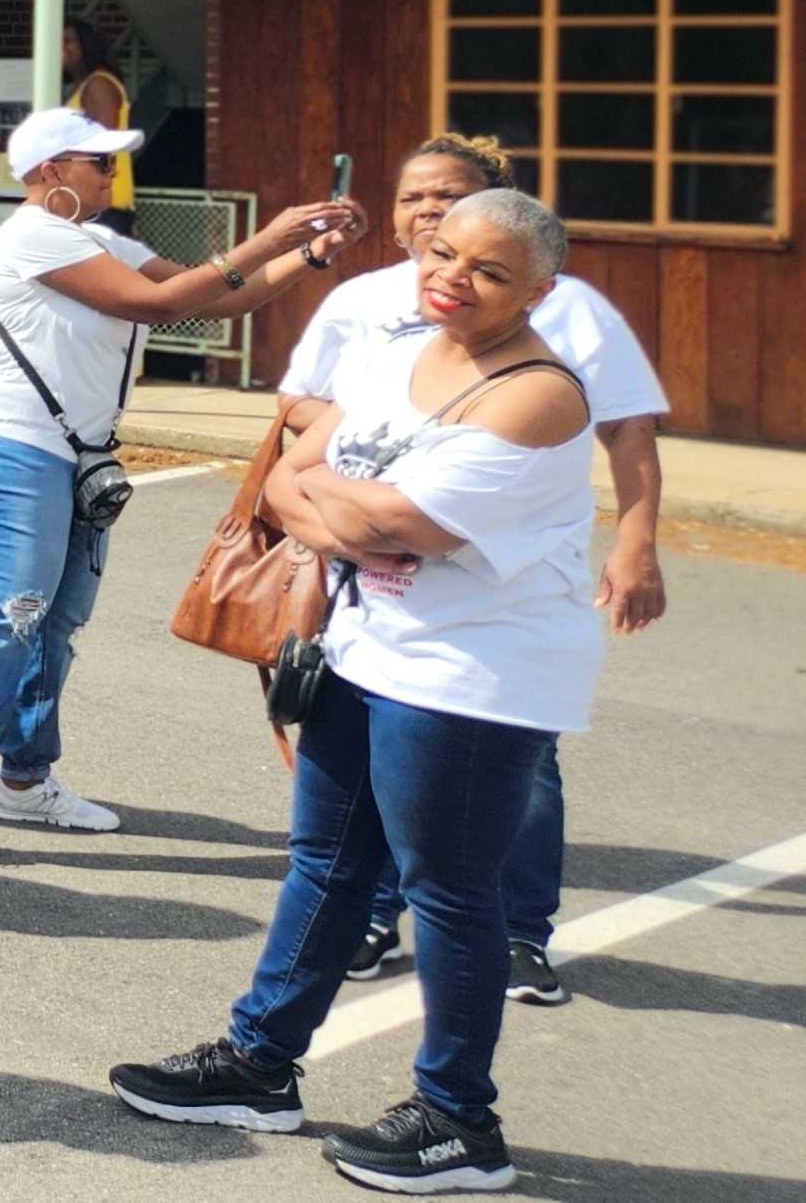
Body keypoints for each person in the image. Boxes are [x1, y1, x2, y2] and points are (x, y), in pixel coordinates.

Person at [109, 188, 602, 1195]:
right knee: (326, 865)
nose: (453, 274)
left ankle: (458, 1118)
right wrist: (345, 509)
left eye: (489, 269)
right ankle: (258, 1062)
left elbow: (398, 521)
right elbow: (286, 482)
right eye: (444, 248)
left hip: (470, 678)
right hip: (364, 649)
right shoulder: (396, 352)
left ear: (537, 291)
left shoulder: (537, 391)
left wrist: (339, 506)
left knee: (449, 892)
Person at [0, 105, 356, 872]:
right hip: (11, 435)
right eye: (96, 161)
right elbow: (158, 305)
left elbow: (219, 299)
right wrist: (268, 237)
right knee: (16, 607)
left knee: (58, 617)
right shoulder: (34, 234)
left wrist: (305, 257)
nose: (110, 172)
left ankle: (23, 779)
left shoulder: (101, 241)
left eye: (110, 161)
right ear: (48, 172)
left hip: (76, 449)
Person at [279, 134, 668, 1008]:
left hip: (481, 642)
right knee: (345, 848)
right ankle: (343, 957)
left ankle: (522, 934)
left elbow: (624, 427)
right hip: (364, 621)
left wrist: (636, 536)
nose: (428, 218)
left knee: (497, 808)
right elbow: (296, 435)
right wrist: (343, 512)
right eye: (418, 201)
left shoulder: (566, 317)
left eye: (447, 197)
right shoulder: (371, 307)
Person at [62, 22, 140, 234]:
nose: (61, 47)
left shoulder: (99, 84)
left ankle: (227, 269)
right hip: (86, 200)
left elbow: (103, 143)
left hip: (102, 202)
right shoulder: (82, 85)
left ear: (86, 45)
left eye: (68, 40)